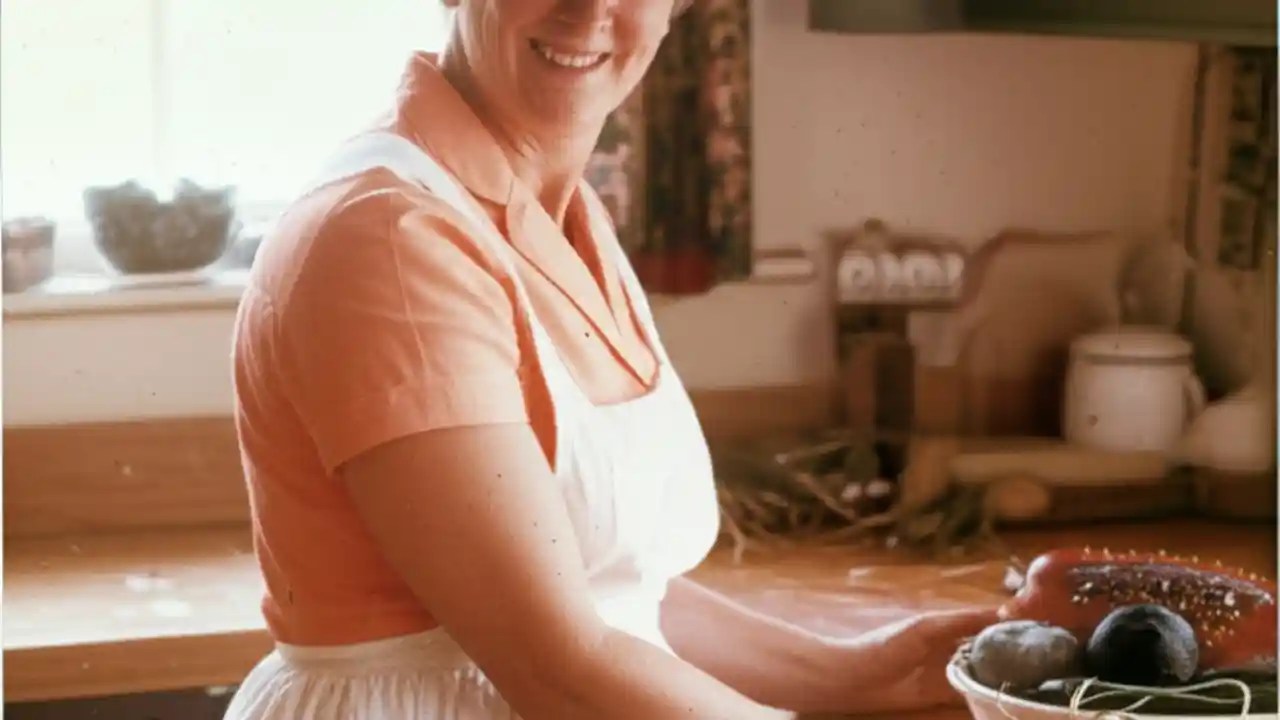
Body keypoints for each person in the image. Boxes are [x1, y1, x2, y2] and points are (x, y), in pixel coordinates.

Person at [224, 1, 996, 718]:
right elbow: (557, 669)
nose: (591, 10)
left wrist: (868, 670)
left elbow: (617, 595)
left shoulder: (563, 212)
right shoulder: (390, 237)